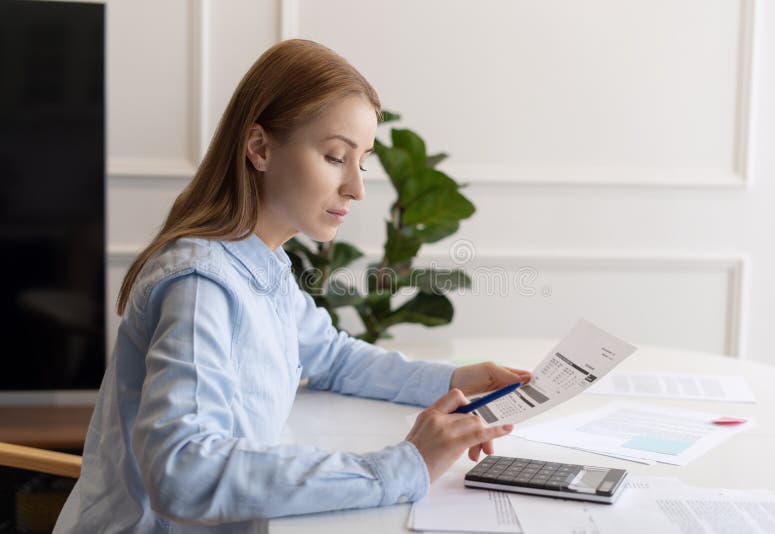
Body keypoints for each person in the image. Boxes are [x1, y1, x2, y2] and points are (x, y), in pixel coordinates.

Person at [54, 39, 531, 533]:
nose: (357, 188)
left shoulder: (265, 263)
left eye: (361, 161)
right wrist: (403, 465)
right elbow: (184, 472)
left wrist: (453, 382)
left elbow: (332, 356)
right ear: (260, 148)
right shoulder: (201, 286)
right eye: (334, 157)